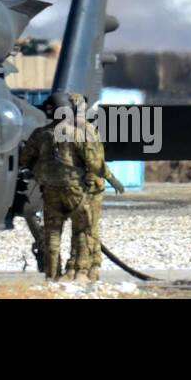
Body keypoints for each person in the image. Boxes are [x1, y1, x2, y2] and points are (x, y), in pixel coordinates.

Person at [18, 92, 92, 280]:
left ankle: (52, 275)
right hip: (76, 191)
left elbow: (25, 158)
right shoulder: (78, 135)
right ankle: (79, 271)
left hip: (50, 192)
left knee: (52, 235)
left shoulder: (40, 135)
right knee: (83, 230)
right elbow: (92, 161)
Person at [64, 93, 125, 282]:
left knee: (88, 229)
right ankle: (77, 267)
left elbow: (96, 162)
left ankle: (91, 267)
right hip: (77, 186)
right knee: (79, 229)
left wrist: (111, 178)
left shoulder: (88, 132)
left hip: (92, 186)